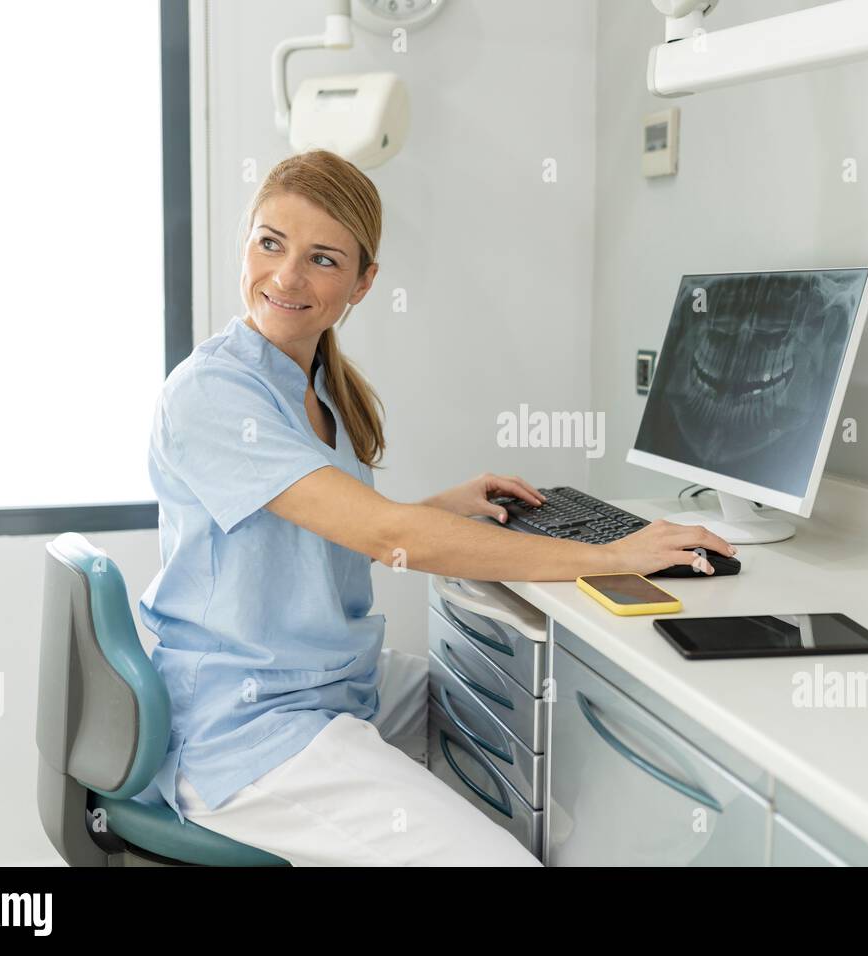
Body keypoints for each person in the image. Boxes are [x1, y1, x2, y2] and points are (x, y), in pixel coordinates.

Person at [137, 149, 735, 866]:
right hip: (249, 727)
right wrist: (607, 557)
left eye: (323, 259)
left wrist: (443, 508)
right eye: (271, 243)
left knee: (536, 733)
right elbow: (384, 531)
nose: (287, 276)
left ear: (364, 282)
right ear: (248, 246)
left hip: (336, 687)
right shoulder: (214, 394)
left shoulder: (320, 385)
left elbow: (323, 534)